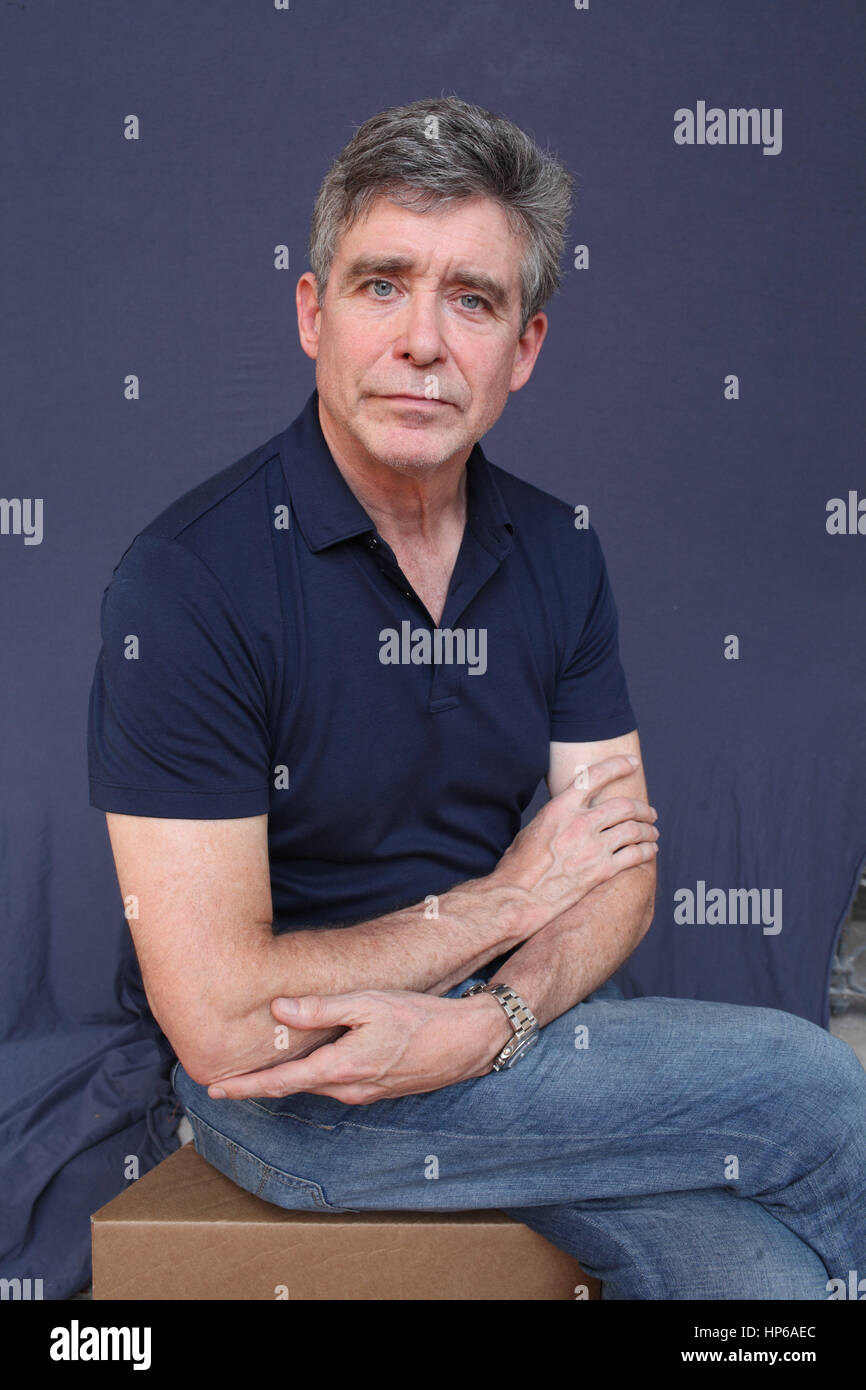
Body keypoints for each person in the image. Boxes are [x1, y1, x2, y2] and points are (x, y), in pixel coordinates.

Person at [88, 96, 866, 1300]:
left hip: (528, 1032)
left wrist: (492, 1014)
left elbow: (613, 866)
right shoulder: (186, 582)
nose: (421, 342)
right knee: (815, 1088)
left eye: (471, 298)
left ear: (525, 345)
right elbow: (222, 1020)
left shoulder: (558, 549)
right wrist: (505, 899)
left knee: (760, 1286)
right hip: (307, 1089)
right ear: (311, 313)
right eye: (381, 283)